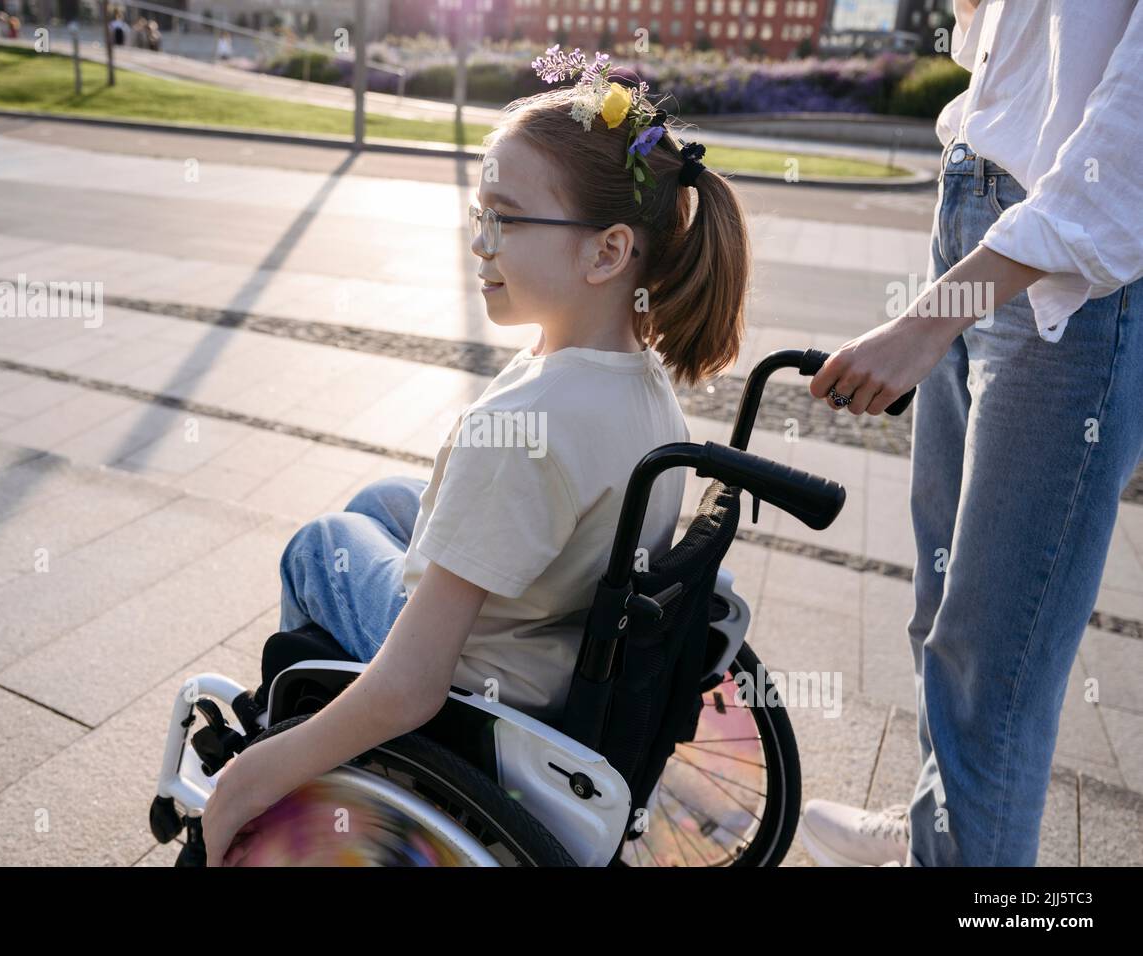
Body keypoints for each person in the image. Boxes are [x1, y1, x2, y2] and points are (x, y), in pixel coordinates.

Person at [201, 49, 752, 865]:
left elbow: (414, 687)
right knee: (385, 500)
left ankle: (312, 726)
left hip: (486, 681)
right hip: (557, 632)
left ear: (605, 254)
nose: (479, 243)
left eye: (506, 217)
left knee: (321, 543)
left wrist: (252, 778)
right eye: (476, 215)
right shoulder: (638, 381)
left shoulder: (528, 427)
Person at [799, 0, 1143, 866]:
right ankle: (938, 826)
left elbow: (1126, 141)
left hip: (1068, 270)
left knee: (996, 661)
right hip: (972, 206)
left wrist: (927, 323)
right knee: (940, 608)